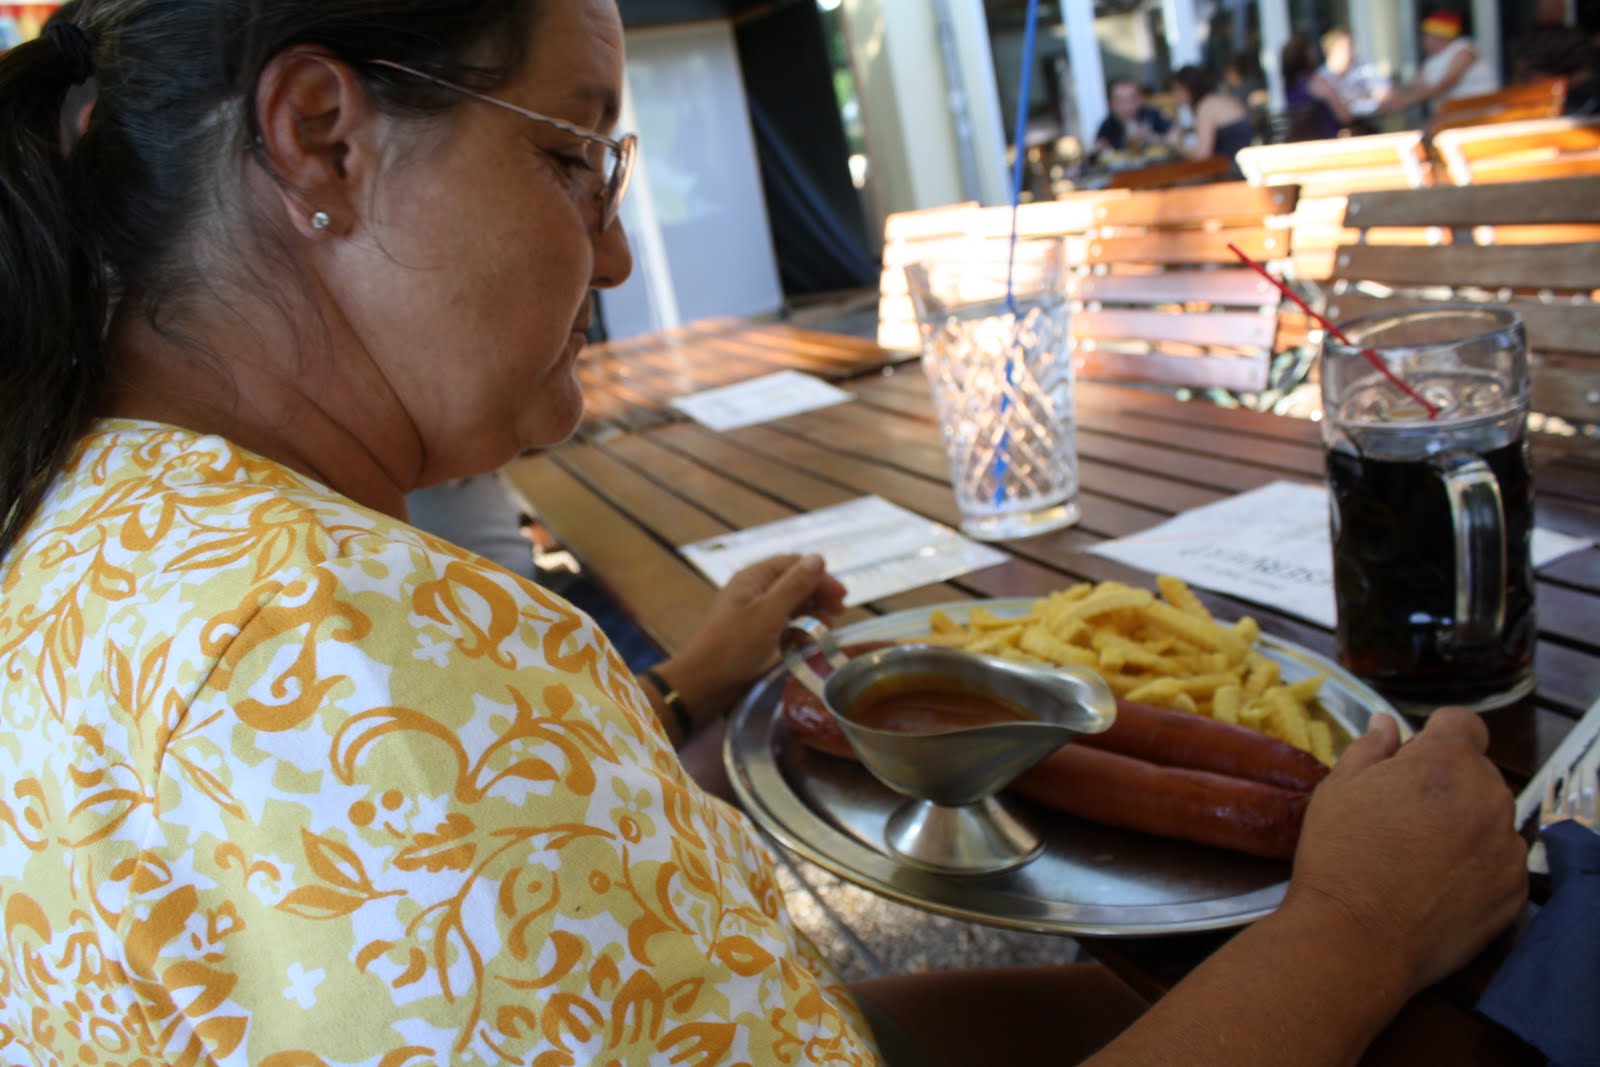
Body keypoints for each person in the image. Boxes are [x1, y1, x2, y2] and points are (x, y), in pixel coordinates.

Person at [0, 2, 1529, 1064]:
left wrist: (657, 696)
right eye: (571, 149)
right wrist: (1355, 928)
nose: (609, 248)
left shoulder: (86, 527)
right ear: (323, 139)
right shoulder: (370, 647)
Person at [1380, 10, 1500, 118]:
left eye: (1426, 35)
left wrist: (1406, 101)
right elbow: (1416, 87)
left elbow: (1445, 84)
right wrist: (1395, 99)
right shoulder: (1430, 61)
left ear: (1439, 37)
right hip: (1451, 116)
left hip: (1477, 114)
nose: (1423, 39)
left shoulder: (1464, 50)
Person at [1170, 64, 1255, 169]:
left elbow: (1202, 156)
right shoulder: (1221, 99)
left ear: (1189, 88)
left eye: (1177, 90)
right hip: (1247, 165)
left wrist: (1179, 144)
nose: (1175, 95)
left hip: (1233, 171)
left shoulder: (1206, 107)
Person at [1281, 33, 1353, 140]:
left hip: (1305, 143)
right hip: (1329, 140)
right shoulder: (1315, 83)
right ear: (1307, 55)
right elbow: (1345, 116)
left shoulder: (1289, 88)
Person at [1092, 76, 1171, 155]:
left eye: (1132, 98)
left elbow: (1174, 136)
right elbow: (1099, 151)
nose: (1127, 106)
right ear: (1111, 103)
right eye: (1121, 101)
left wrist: (1152, 137)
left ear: (1140, 99)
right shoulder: (1107, 126)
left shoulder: (1152, 115)